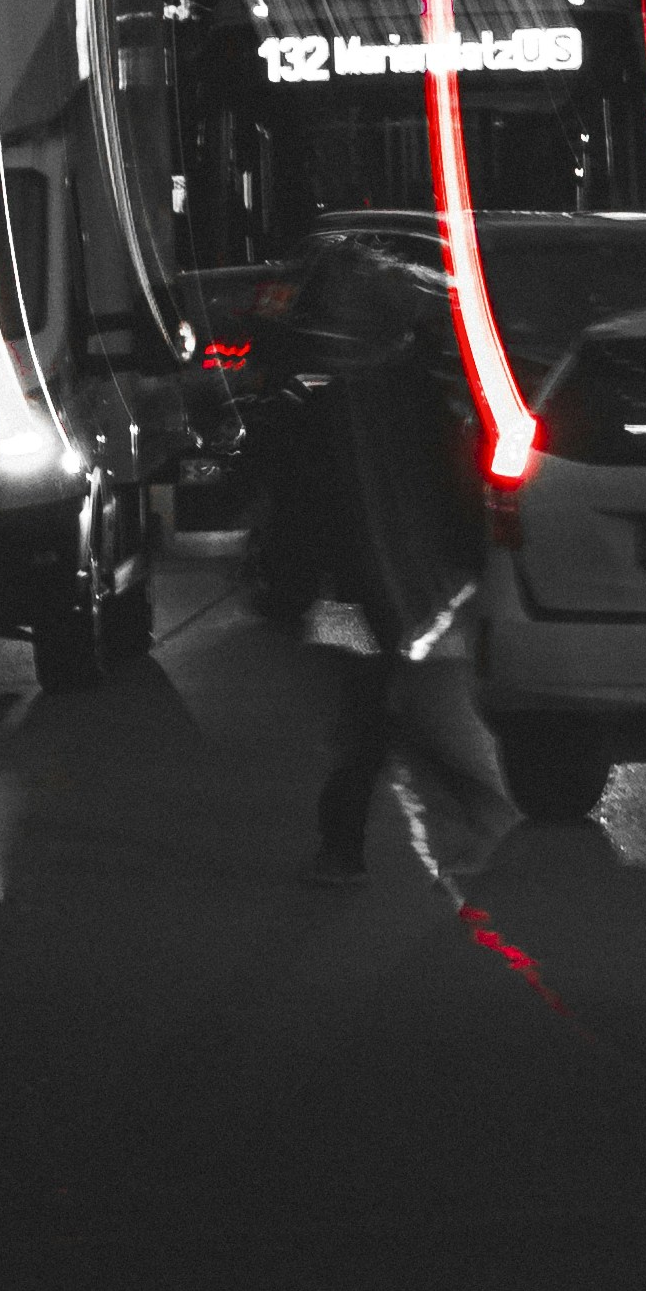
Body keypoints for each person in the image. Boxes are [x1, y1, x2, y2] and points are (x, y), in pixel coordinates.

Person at [246, 238, 512, 885]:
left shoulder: (361, 395)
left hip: (372, 586)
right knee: (368, 708)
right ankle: (433, 818)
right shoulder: (391, 390)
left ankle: (362, 841)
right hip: (375, 585)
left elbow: (303, 495)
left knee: (368, 710)